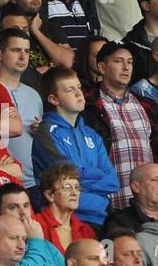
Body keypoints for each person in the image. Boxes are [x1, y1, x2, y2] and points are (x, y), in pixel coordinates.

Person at [34, 66, 120, 227]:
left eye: (79, 87)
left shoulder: (92, 135)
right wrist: (96, 173)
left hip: (101, 218)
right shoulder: (47, 132)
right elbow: (66, 177)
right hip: (66, 219)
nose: (78, 93)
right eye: (69, 89)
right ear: (54, 99)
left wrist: (82, 176)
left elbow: (113, 181)